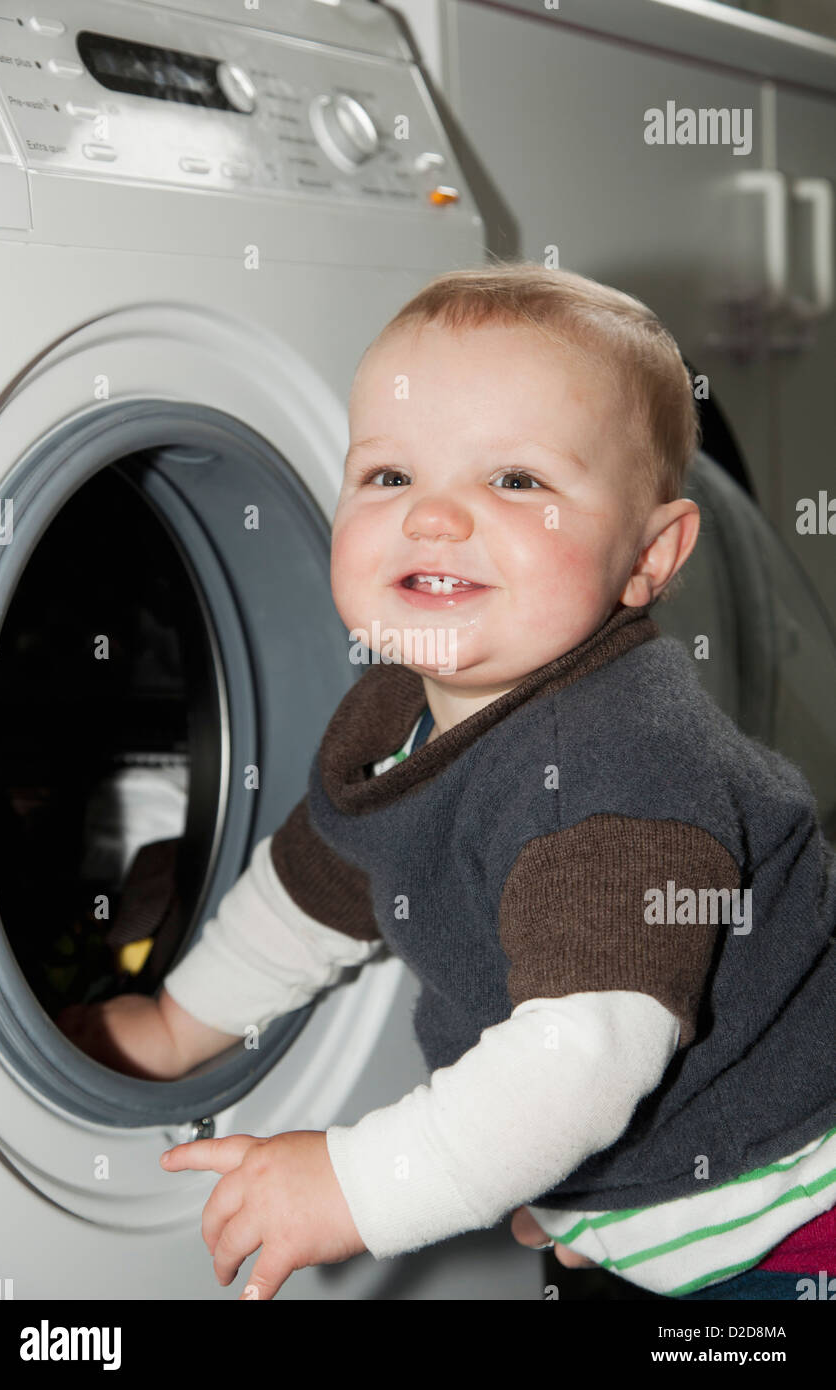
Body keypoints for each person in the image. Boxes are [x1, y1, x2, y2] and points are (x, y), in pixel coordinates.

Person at [58, 263, 836, 1301]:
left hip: (780, 1215)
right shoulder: (397, 712)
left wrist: (351, 1186)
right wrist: (175, 1024)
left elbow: (577, 1059)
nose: (431, 516)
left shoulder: (621, 772)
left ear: (649, 555)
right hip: (649, 1200)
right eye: (388, 477)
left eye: (513, 480)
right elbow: (312, 890)